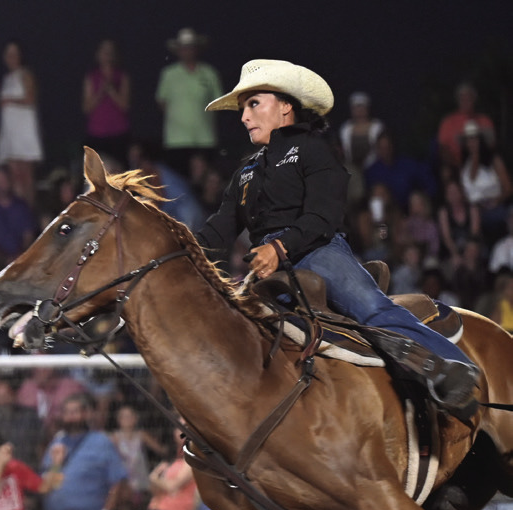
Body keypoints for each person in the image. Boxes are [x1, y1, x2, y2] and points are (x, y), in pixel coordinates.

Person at [195, 59, 480, 417]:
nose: (243, 117)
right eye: (242, 108)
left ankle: (452, 366)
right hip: (264, 264)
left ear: (285, 106)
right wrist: (174, 249)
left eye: (253, 104)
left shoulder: (313, 149)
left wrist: (279, 247)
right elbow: (217, 230)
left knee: (370, 308)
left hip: (316, 251)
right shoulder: (246, 171)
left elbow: (322, 218)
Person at [155, 28, 222, 177]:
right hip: (176, 141)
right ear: (178, 50)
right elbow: (161, 102)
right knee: (179, 183)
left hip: (205, 139)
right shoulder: (168, 74)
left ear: (197, 49)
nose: (187, 51)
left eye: (191, 47)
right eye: (184, 48)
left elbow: (219, 102)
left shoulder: (210, 73)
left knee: (206, 183)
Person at [0, 40, 43, 206]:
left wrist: (9, 100)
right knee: (13, 175)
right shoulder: (6, 78)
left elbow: (30, 98)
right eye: (8, 54)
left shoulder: (25, 74)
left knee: (26, 175)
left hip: (24, 129)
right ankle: (18, 211)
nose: (11, 57)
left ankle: (29, 212)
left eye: (14, 54)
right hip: (10, 130)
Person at [82, 39, 131, 167]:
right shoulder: (91, 77)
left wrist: (112, 91)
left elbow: (125, 106)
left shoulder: (122, 76)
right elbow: (87, 108)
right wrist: (100, 92)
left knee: (119, 172)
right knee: (98, 173)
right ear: (98, 54)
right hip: (97, 133)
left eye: (110, 52)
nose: (107, 55)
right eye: (104, 51)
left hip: (119, 132)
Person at [437, 82, 496, 176]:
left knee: (497, 163)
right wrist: (458, 165)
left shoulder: (485, 120)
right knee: (446, 171)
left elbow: (492, 145)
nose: (465, 101)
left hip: (482, 163)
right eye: (462, 98)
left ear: (474, 99)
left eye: (469, 98)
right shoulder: (448, 122)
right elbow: (443, 148)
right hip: (457, 165)